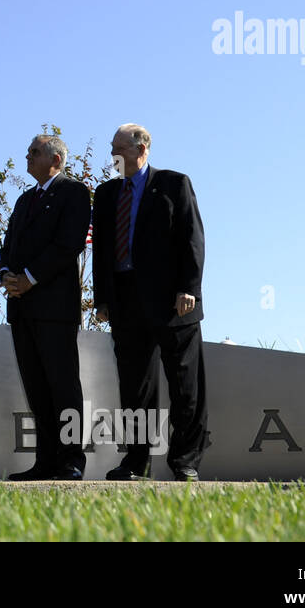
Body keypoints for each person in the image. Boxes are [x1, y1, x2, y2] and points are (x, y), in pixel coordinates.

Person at [92, 124, 208, 481]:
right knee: (135, 387)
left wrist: (189, 287)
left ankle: (185, 459)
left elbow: (192, 237)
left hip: (174, 302)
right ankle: (136, 461)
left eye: (119, 148)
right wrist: (102, 298)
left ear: (142, 148)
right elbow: (101, 250)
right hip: (126, 302)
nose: (113, 156)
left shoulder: (174, 183)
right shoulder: (107, 193)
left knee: (185, 384)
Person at [0, 134, 91, 481]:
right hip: (21, 309)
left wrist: (30, 279)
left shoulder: (74, 192)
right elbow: (7, 245)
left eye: (34, 152)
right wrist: (7, 274)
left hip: (54, 309)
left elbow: (69, 244)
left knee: (62, 385)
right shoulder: (24, 200)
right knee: (36, 386)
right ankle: (45, 461)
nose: (27, 156)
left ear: (55, 159)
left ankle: (71, 460)